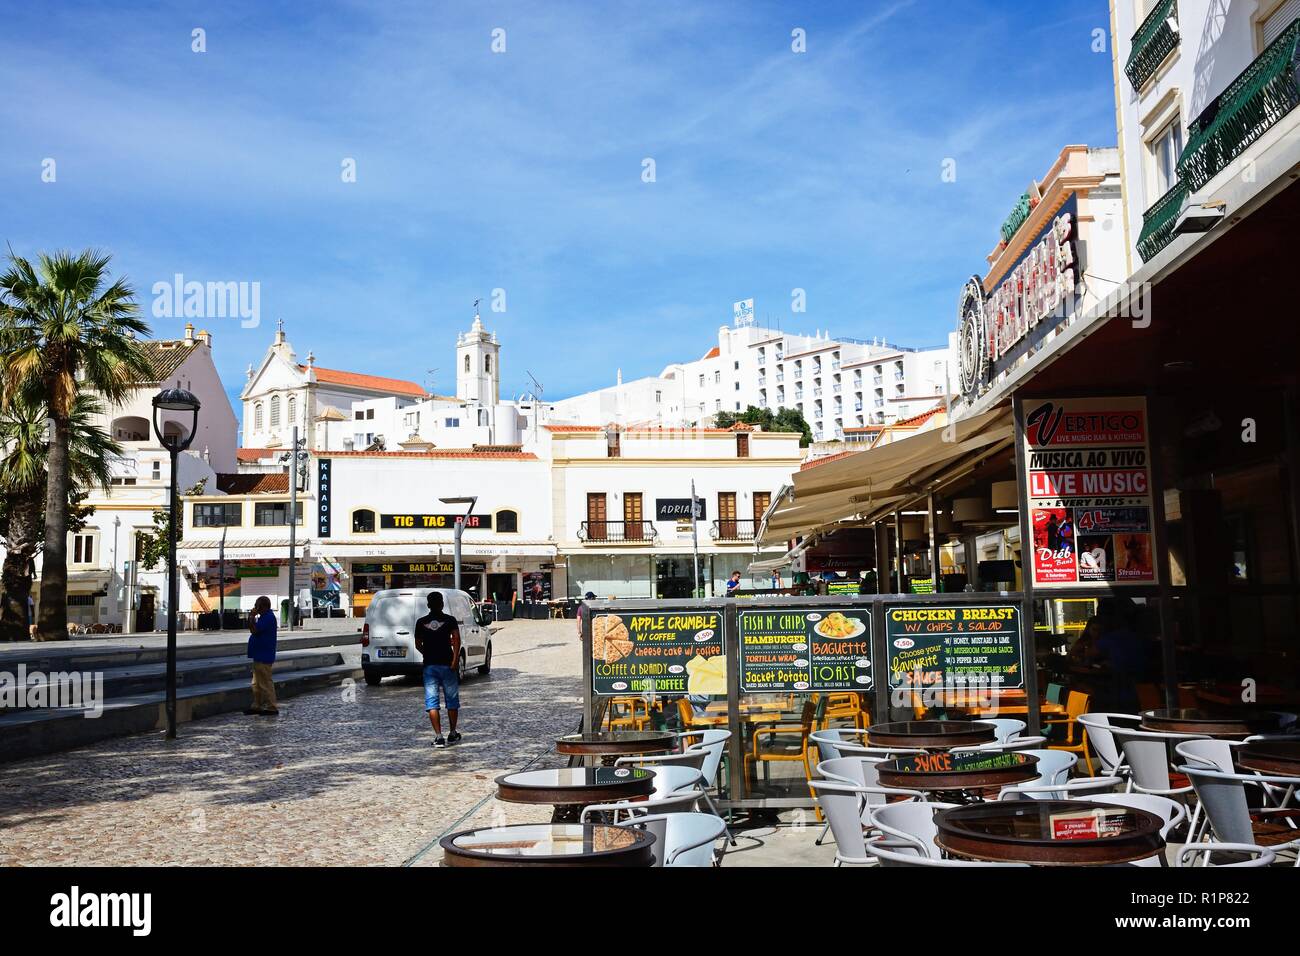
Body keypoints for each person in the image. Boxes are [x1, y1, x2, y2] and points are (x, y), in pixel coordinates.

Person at [416, 592, 462, 747]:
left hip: (430, 666)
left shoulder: (421, 622)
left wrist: (427, 654)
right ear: (442, 604)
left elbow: (417, 644)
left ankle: (439, 736)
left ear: (428, 605)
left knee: (432, 703)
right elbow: (456, 640)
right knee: (452, 701)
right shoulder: (450, 620)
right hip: (448, 665)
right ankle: (453, 733)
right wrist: (455, 660)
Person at [244, 596, 278, 716]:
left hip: (264, 655)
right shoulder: (264, 617)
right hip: (258, 654)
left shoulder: (268, 618)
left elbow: (254, 630)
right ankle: (257, 705)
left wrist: (252, 616)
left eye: (257, 605)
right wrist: (252, 617)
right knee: (256, 683)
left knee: (265, 682)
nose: (255, 608)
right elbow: (252, 629)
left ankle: (271, 706)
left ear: (262, 606)